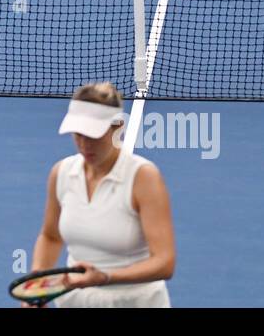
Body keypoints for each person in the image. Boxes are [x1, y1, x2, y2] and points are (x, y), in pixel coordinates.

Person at [27, 82, 176, 307]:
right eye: (78, 134)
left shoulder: (144, 178)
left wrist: (107, 277)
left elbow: (165, 263)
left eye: (93, 135)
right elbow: (51, 237)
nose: (84, 145)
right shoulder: (61, 173)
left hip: (134, 302)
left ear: (117, 128)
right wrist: (38, 286)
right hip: (75, 298)